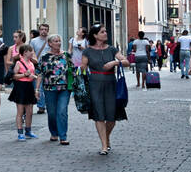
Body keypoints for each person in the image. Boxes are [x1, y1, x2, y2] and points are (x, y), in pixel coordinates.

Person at [81, 22, 129, 155]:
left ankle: (106, 137)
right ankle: (103, 145)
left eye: (105, 31)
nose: (105, 33)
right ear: (95, 35)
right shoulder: (87, 51)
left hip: (110, 84)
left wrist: (115, 62)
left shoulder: (112, 49)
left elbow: (126, 62)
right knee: (99, 115)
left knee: (112, 117)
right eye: (102, 32)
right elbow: (83, 68)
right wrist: (80, 71)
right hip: (94, 84)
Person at [37, 34, 73, 145]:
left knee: (62, 111)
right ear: (50, 44)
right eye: (56, 41)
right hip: (49, 89)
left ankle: (63, 136)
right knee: (52, 113)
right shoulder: (44, 57)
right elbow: (39, 73)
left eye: (59, 41)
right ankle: (54, 133)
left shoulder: (66, 55)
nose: (58, 43)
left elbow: (72, 71)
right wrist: (37, 89)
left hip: (64, 88)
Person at [8, 43, 37, 141]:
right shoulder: (18, 63)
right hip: (20, 87)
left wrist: (33, 77)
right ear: (25, 53)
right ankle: (20, 132)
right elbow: (14, 76)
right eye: (31, 51)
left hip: (29, 86)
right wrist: (24, 75)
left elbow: (31, 75)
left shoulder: (31, 63)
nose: (32, 53)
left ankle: (28, 130)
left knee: (30, 111)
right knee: (20, 111)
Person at [31, 23, 50, 114]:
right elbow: (31, 52)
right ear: (39, 30)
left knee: (48, 86)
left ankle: (48, 104)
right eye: (42, 29)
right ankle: (41, 106)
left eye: (46, 29)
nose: (44, 31)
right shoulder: (34, 41)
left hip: (50, 66)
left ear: (48, 31)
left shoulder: (51, 40)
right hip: (38, 66)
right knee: (39, 87)